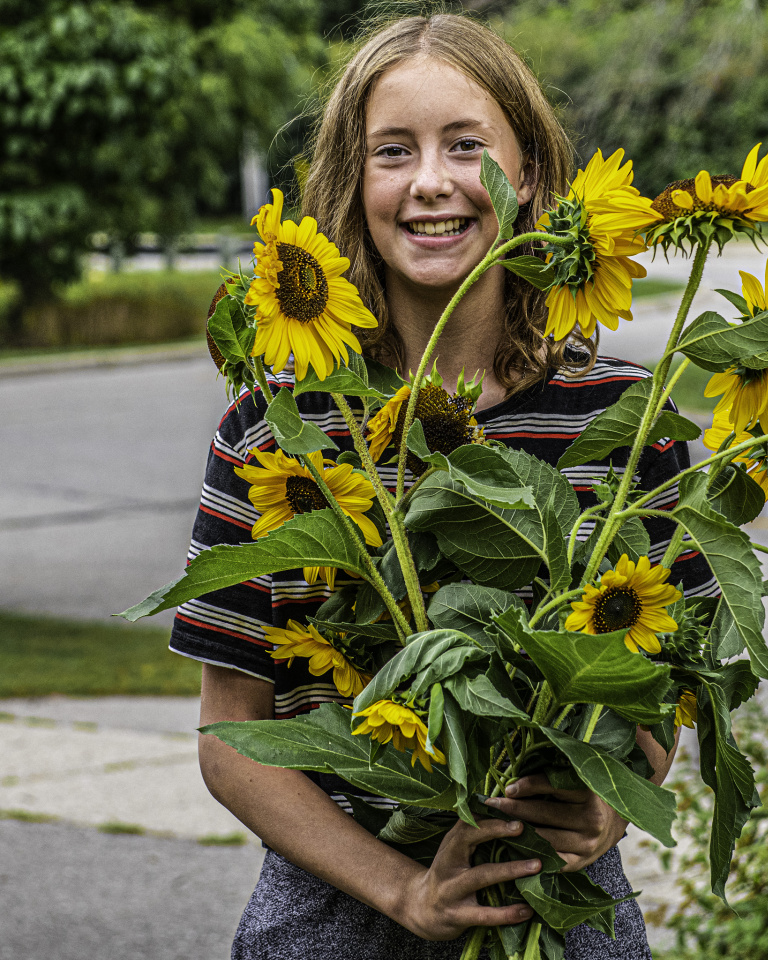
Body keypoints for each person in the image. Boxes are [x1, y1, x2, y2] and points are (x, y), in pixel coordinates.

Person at [170, 13, 717, 959]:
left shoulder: (626, 424)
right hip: (336, 910)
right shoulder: (279, 429)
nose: (430, 182)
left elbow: (671, 679)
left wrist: (612, 804)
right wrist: (404, 887)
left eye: (467, 147)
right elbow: (231, 738)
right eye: (394, 152)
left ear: (528, 175)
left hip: (551, 898)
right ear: (353, 185)